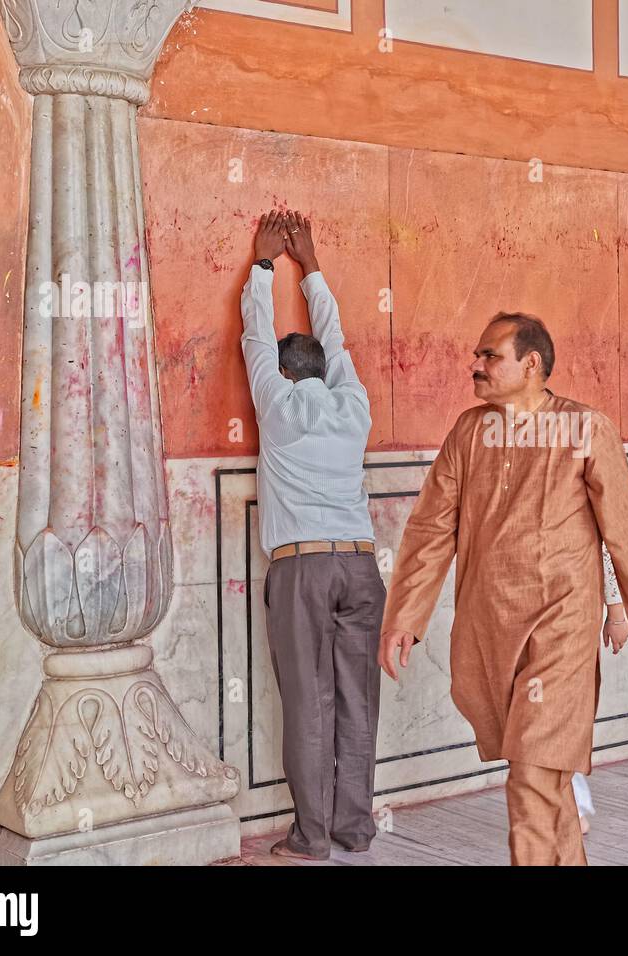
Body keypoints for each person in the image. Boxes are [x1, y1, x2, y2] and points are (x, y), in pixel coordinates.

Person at [378, 312, 628, 865]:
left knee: (531, 777)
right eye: (478, 355)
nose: (475, 365)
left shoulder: (587, 429)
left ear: (531, 364)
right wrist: (405, 615)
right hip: (490, 635)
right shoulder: (469, 433)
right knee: (545, 784)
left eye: (489, 356)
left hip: (561, 632)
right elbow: (430, 529)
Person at [242, 210, 385, 861]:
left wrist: (264, 265)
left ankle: (313, 836)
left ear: (284, 370)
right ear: (324, 372)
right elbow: (338, 336)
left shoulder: (275, 401)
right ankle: (355, 827)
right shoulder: (353, 401)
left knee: (309, 704)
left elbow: (253, 332)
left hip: (302, 570)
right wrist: (314, 264)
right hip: (360, 568)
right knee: (358, 702)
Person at [574, 545, 628, 835]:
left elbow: (605, 545)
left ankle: (572, 805)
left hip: (570, 611)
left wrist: (617, 614)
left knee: (558, 715)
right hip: (510, 610)